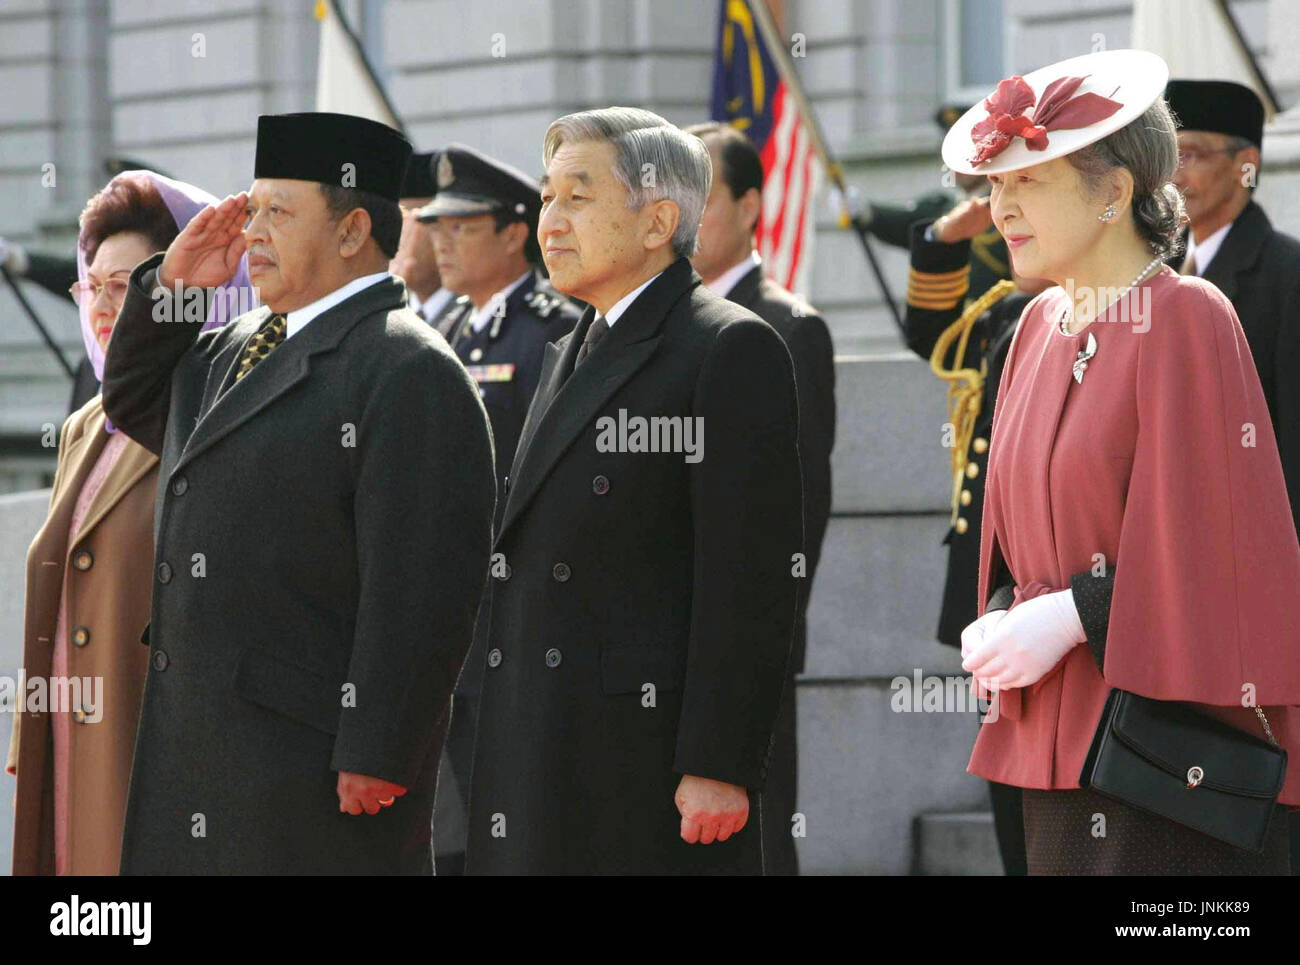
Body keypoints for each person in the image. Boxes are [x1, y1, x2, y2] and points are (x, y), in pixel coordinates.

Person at [100, 112, 496, 874]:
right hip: (201, 751)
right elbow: (132, 398)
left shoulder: (406, 367)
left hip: (307, 768)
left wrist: (379, 748)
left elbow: (421, 587)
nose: (251, 231)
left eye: (277, 212)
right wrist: (175, 284)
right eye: (248, 210)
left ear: (351, 232)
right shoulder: (229, 347)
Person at [947, 49, 1300, 874]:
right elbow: (1020, 526)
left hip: (1164, 759)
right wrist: (1002, 609)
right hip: (1054, 744)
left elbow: (1216, 545)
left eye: (1028, 181)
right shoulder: (1036, 327)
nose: (1001, 207)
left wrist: (1074, 615)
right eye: (995, 185)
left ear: (1114, 192)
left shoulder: (1186, 315)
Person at [466, 107, 803, 875]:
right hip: (539, 748)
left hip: (638, 770)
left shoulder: (726, 347)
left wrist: (718, 762)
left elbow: (746, 577)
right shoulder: (567, 350)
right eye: (547, 197)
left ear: (657, 222)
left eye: (576, 197)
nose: (549, 220)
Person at [6, 170, 255, 875]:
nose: (107, 306)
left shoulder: (214, 411)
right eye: (94, 286)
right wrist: (34, 733)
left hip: (157, 756)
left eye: (131, 286)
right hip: (71, 744)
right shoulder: (87, 425)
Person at [413, 142, 581, 874]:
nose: (439, 240)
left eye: (462, 226)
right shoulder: (445, 331)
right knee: (458, 825)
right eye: (436, 226)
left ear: (516, 232)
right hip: (455, 618)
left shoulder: (554, 327)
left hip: (523, 615)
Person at [685, 120, 835, 876]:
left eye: (703, 196)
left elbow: (800, 505)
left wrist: (765, 632)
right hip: (669, 647)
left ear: (751, 206)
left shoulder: (785, 326)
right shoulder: (671, 327)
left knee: (760, 840)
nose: (683, 214)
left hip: (750, 642)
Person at [1165, 78, 1300, 873]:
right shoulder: (1149, 282)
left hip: (1256, 598)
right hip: (1167, 596)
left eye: (1192, 155)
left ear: (1246, 166)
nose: (1174, 175)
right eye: (1167, 156)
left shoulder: (1284, 276)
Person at [902, 197, 1052, 877]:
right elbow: (931, 332)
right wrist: (947, 232)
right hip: (996, 588)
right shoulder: (1009, 307)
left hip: (1063, 589)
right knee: (1011, 795)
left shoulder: (1113, 303)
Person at [860, 104, 1011, 298]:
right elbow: (903, 224)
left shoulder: (1007, 204)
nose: (961, 161)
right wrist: (866, 212)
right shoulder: (939, 207)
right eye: (953, 153)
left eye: (969, 150)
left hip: (997, 320)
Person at [391, 150, 457, 327]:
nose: (401, 237)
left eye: (409, 222)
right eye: (395, 224)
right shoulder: (387, 313)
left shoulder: (472, 314)